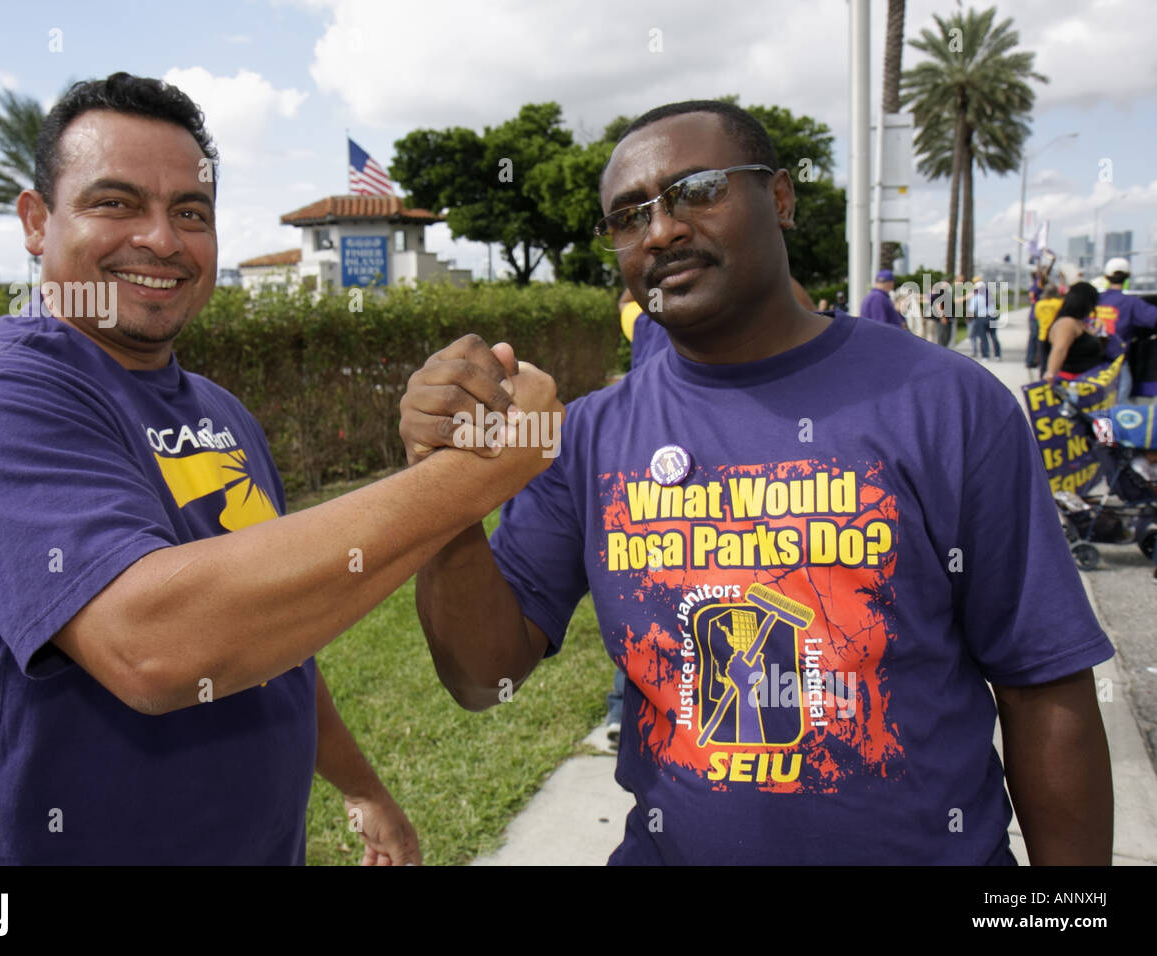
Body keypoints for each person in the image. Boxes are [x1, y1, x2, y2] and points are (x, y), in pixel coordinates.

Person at [400, 100, 1113, 865]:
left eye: (699, 189)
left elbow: (1043, 686)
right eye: (629, 215)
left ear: (779, 197)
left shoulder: (948, 404)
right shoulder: (588, 437)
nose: (662, 229)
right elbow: (483, 678)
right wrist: (443, 494)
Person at [0, 73, 556, 865]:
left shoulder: (218, 411)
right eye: (115, 203)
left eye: (190, 213)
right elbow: (156, 647)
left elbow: (270, 637)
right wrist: (476, 475)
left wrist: (362, 787)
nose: (162, 240)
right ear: (37, 221)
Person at [1096, 257, 1157, 401]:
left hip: (1092, 361)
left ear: (1106, 277)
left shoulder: (1096, 299)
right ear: (1127, 277)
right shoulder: (1132, 302)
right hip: (1117, 363)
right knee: (1119, 401)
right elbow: (1152, 318)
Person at [1042, 282, 1112, 382]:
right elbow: (1059, 350)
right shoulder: (1066, 323)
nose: (1093, 309)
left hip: (1085, 382)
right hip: (1072, 384)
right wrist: (1050, 375)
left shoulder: (1078, 322)